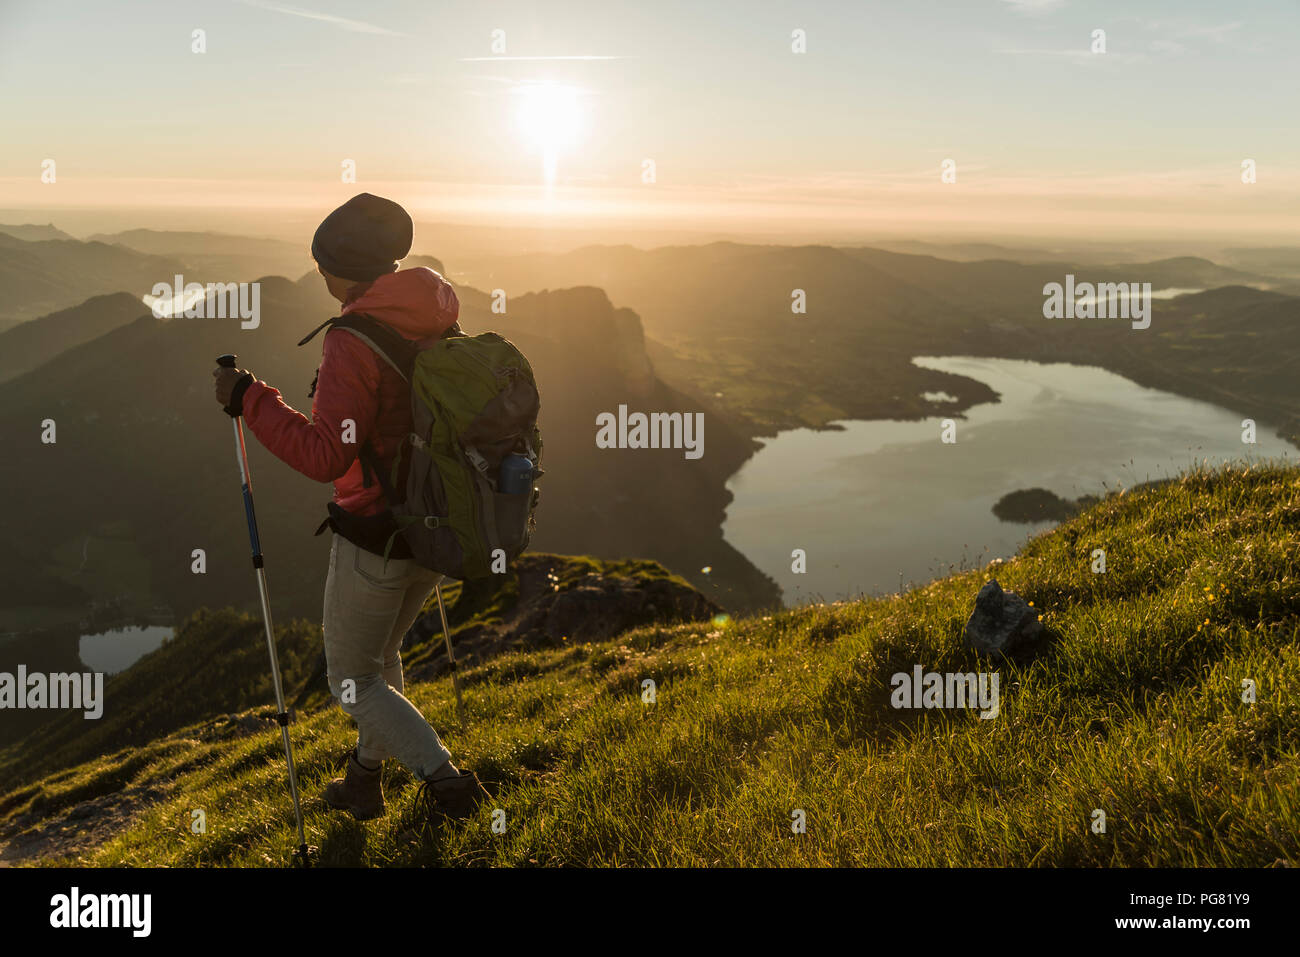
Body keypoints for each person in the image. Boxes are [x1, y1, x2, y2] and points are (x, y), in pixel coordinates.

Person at [212, 192, 489, 821]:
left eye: (322, 265)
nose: (319, 276)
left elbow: (323, 456)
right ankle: (363, 779)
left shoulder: (352, 339)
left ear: (342, 268)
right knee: (381, 662)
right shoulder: (432, 315)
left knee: (351, 681)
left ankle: (449, 785)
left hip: (377, 534)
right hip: (438, 524)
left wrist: (249, 399)